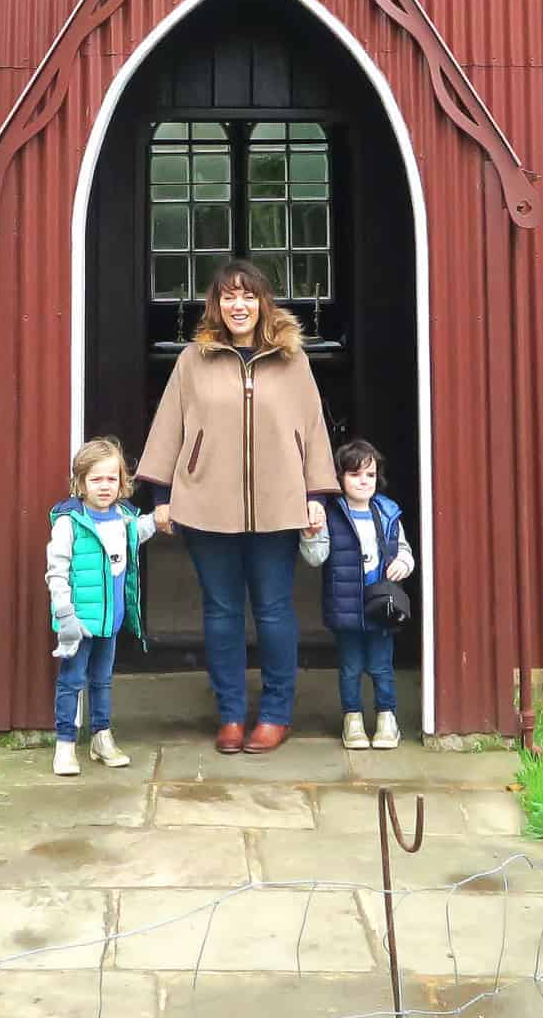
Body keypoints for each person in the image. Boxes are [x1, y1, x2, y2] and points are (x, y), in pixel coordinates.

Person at [137, 259, 336, 755]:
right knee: (222, 612)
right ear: (216, 305)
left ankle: (274, 713)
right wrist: (162, 496)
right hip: (207, 504)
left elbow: (312, 429)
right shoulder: (193, 359)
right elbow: (169, 427)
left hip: (278, 506)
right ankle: (229, 713)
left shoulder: (293, 360)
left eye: (248, 296)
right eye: (228, 297)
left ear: (263, 303)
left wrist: (315, 496)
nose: (238, 305)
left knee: (273, 611)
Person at [45, 435, 155, 778]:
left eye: (112, 479)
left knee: (103, 680)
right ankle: (65, 744)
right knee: (72, 680)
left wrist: (164, 517)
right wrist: (66, 616)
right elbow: (57, 572)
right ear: (80, 483)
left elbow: (139, 530)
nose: (104, 486)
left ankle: (101, 737)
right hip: (78, 622)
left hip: (111, 620)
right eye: (96, 479)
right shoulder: (70, 523)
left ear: (122, 483)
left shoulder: (123, 518)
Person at [300, 437, 415, 749]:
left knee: (381, 665)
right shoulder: (332, 514)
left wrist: (404, 562)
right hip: (345, 605)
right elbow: (316, 558)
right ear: (340, 477)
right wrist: (310, 535)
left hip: (381, 604)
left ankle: (386, 717)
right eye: (354, 474)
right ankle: (352, 718)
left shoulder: (388, 512)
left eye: (370, 475)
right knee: (350, 667)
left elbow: (403, 549)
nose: (363, 481)